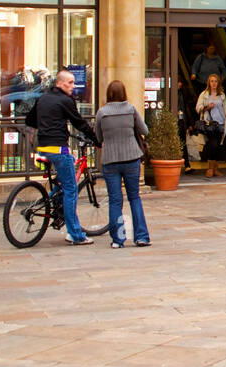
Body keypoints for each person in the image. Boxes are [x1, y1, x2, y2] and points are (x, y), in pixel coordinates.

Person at [24, 68, 100, 244]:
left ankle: (56, 206)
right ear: (60, 83)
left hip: (43, 147)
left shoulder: (43, 98)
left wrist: (48, 124)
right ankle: (76, 234)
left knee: (63, 181)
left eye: (74, 82)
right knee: (71, 189)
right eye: (70, 83)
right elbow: (79, 123)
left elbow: (30, 121)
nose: (73, 86)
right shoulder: (66, 101)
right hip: (58, 148)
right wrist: (96, 140)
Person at [94, 81, 152, 248]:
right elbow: (145, 131)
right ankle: (141, 236)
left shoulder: (101, 113)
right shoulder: (131, 110)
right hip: (131, 158)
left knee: (115, 200)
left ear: (109, 94)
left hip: (110, 160)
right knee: (134, 197)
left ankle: (118, 240)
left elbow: (98, 137)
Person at [195, 73, 226, 178]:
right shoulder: (204, 94)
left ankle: (214, 169)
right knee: (213, 144)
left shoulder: (222, 95)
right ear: (209, 83)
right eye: (212, 81)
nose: (214, 83)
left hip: (221, 124)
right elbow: (198, 107)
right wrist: (207, 107)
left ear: (218, 83)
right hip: (209, 124)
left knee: (218, 146)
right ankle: (210, 168)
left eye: (215, 81)